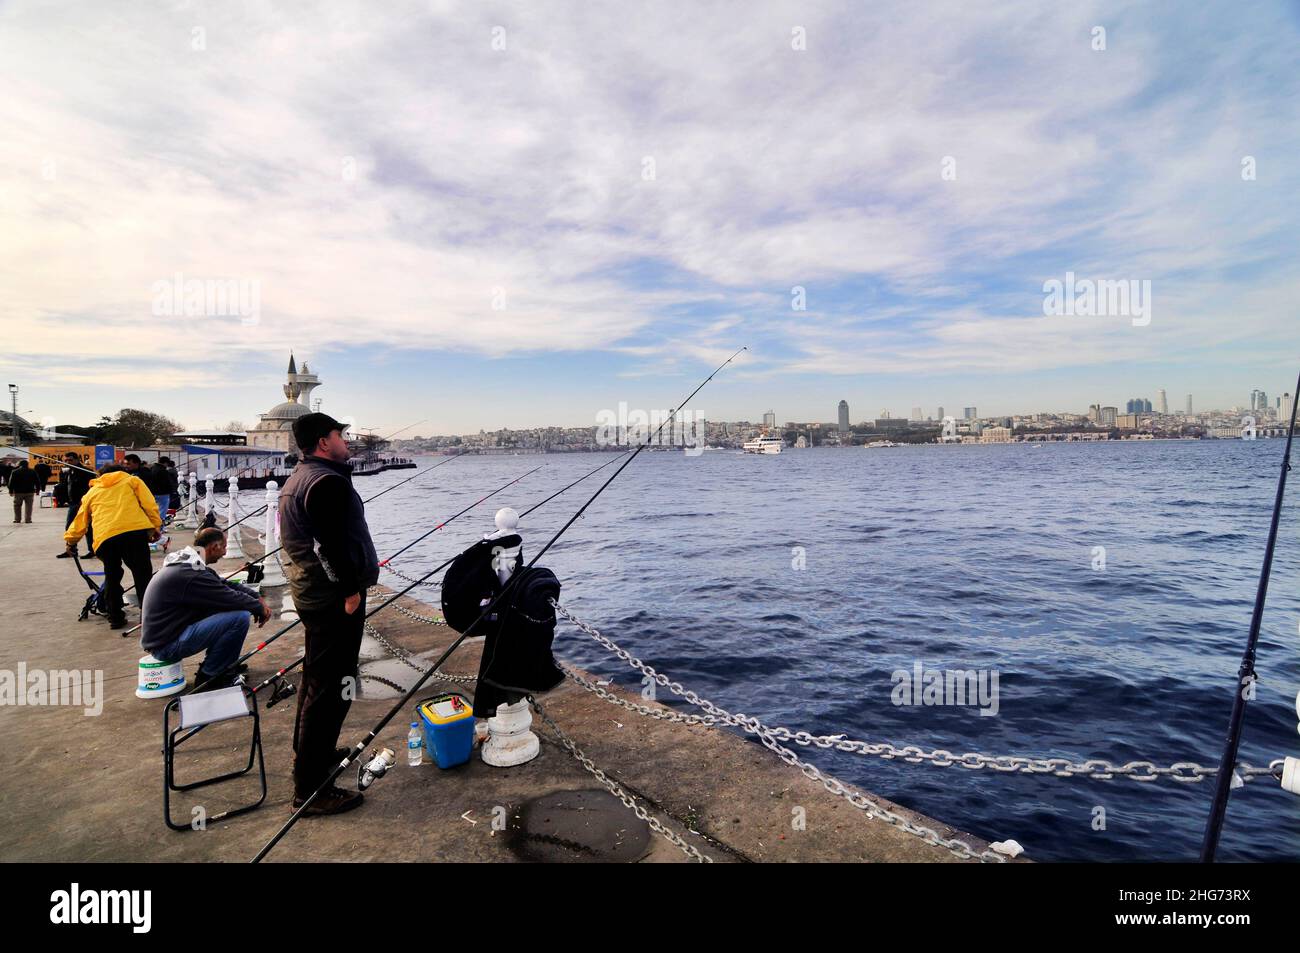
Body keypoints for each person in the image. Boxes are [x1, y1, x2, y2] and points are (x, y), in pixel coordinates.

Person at [279, 412, 379, 816]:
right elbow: (329, 547)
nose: (345, 440)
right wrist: (350, 592)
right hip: (332, 599)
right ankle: (310, 789)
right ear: (324, 441)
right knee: (329, 687)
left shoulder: (305, 476)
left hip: (312, 594)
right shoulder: (324, 483)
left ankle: (311, 753)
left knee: (319, 678)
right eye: (340, 435)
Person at [141, 526, 271, 692]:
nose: (224, 552)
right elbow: (229, 597)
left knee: (228, 611)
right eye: (223, 547)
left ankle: (224, 665)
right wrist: (258, 607)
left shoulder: (187, 562)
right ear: (214, 547)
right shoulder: (192, 573)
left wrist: (256, 597)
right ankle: (210, 676)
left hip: (166, 636)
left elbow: (224, 584)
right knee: (239, 618)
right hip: (165, 645)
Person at [64, 464, 162, 629]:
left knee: (112, 575)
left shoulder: (92, 492)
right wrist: (155, 527)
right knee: (142, 574)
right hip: (134, 533)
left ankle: (115, 617)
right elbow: (149, 504)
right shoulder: (132, 481)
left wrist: (71, 541)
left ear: (100, 475)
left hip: (105, 537)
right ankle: (148, 617)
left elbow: (80, 519)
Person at [55, 453, 94, 558]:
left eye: (70, 460)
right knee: (70, 527)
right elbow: (64, 486)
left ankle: (92, 550)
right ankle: (71, 550)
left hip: (83, 503)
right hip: (72, 503)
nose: (68, 462)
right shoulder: (67, 472)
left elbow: (93, 487)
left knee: (88, 528)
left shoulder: (86, 472)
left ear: (77, 460)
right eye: (66, 460)